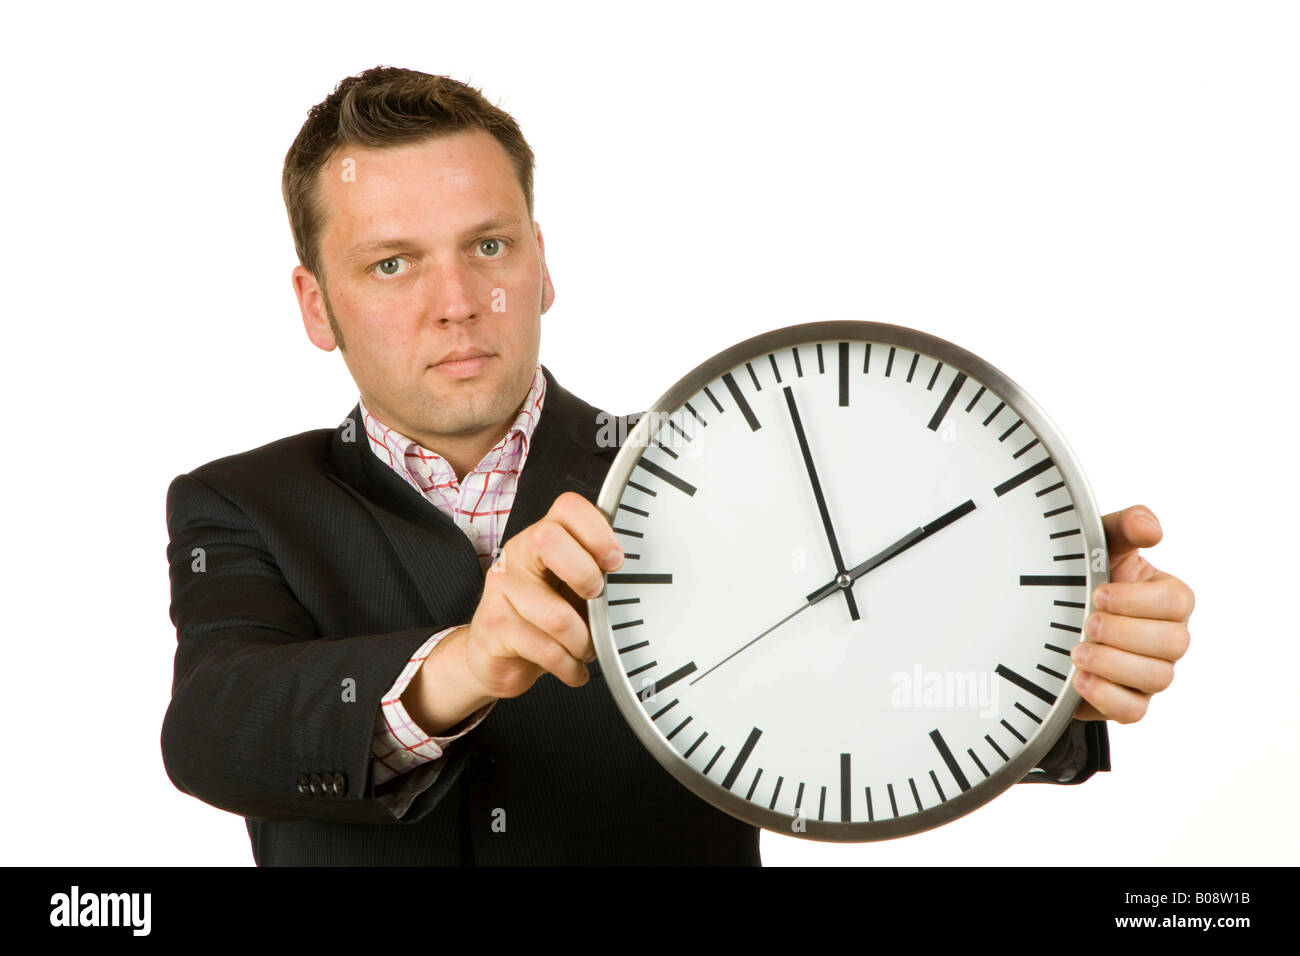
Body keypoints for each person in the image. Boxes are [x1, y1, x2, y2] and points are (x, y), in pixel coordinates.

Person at [160, 66, 1195, 865]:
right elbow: (214, 724)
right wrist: (467, 661)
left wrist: (1057, 647)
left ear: (541, 261)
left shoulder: (707, 467)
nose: (457, 299)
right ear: (313, 303)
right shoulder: (241, 503)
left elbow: (864, 672)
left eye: (489, 245)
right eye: (392, 263)